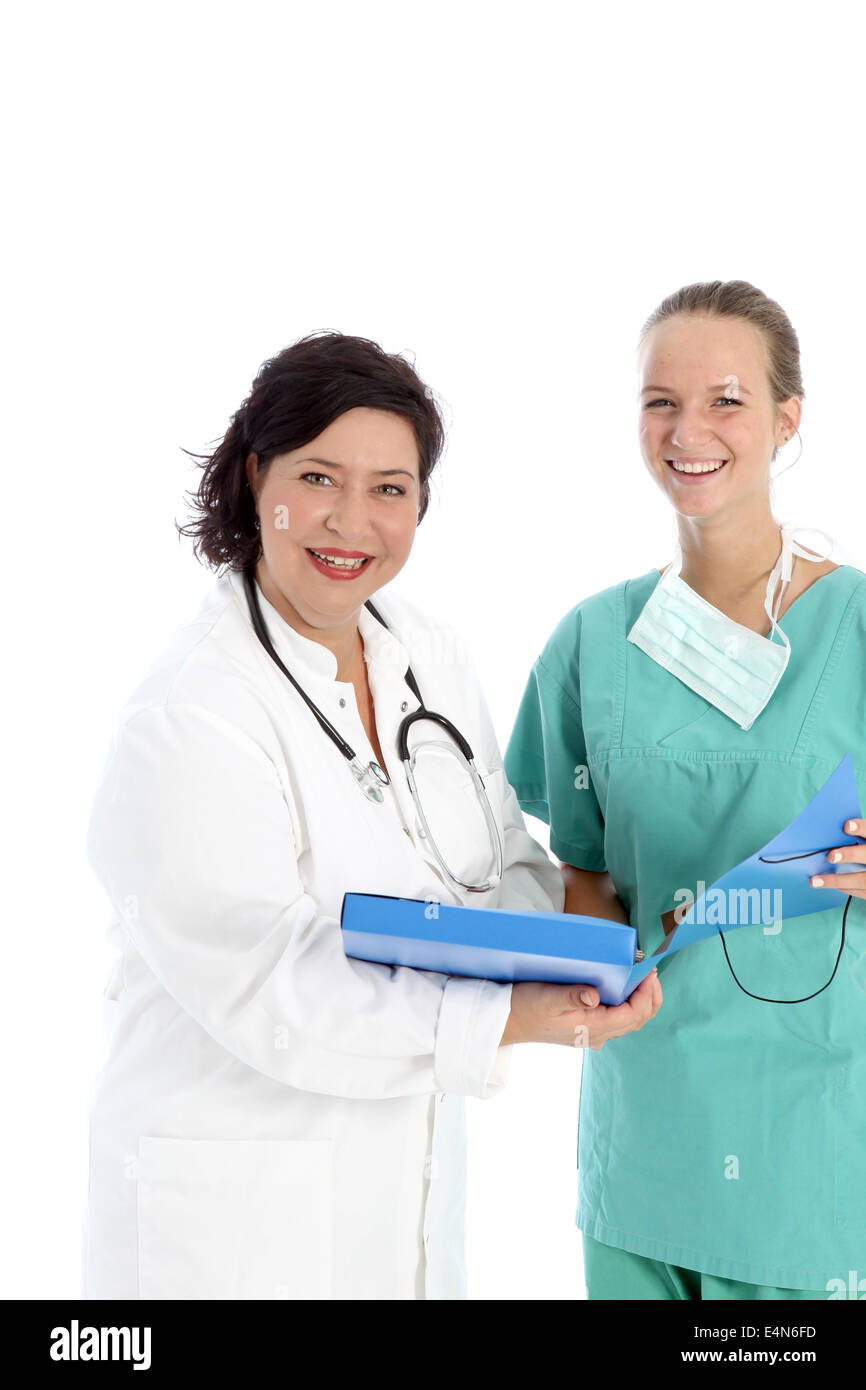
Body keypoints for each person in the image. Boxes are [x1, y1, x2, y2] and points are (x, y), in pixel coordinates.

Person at [83, 331, 661, 1302]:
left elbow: (495, 864)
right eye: (319, 477)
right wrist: (508, 1017)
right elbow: (273, 984)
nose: (352, 521)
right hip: (229, 1243)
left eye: (389, 488)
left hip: (401, 1215)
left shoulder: (426, 655)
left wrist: (612, 923)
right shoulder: (189, 713)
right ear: (256, 477)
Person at [504, 280, 866, 1300]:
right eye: (659, 401)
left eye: (725, 401)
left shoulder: (854, 627)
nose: (687, 430)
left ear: (786, 420)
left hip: (815, 1147)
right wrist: (591, 964)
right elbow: (582, 867)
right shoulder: (591, 640)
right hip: (643, 1139)